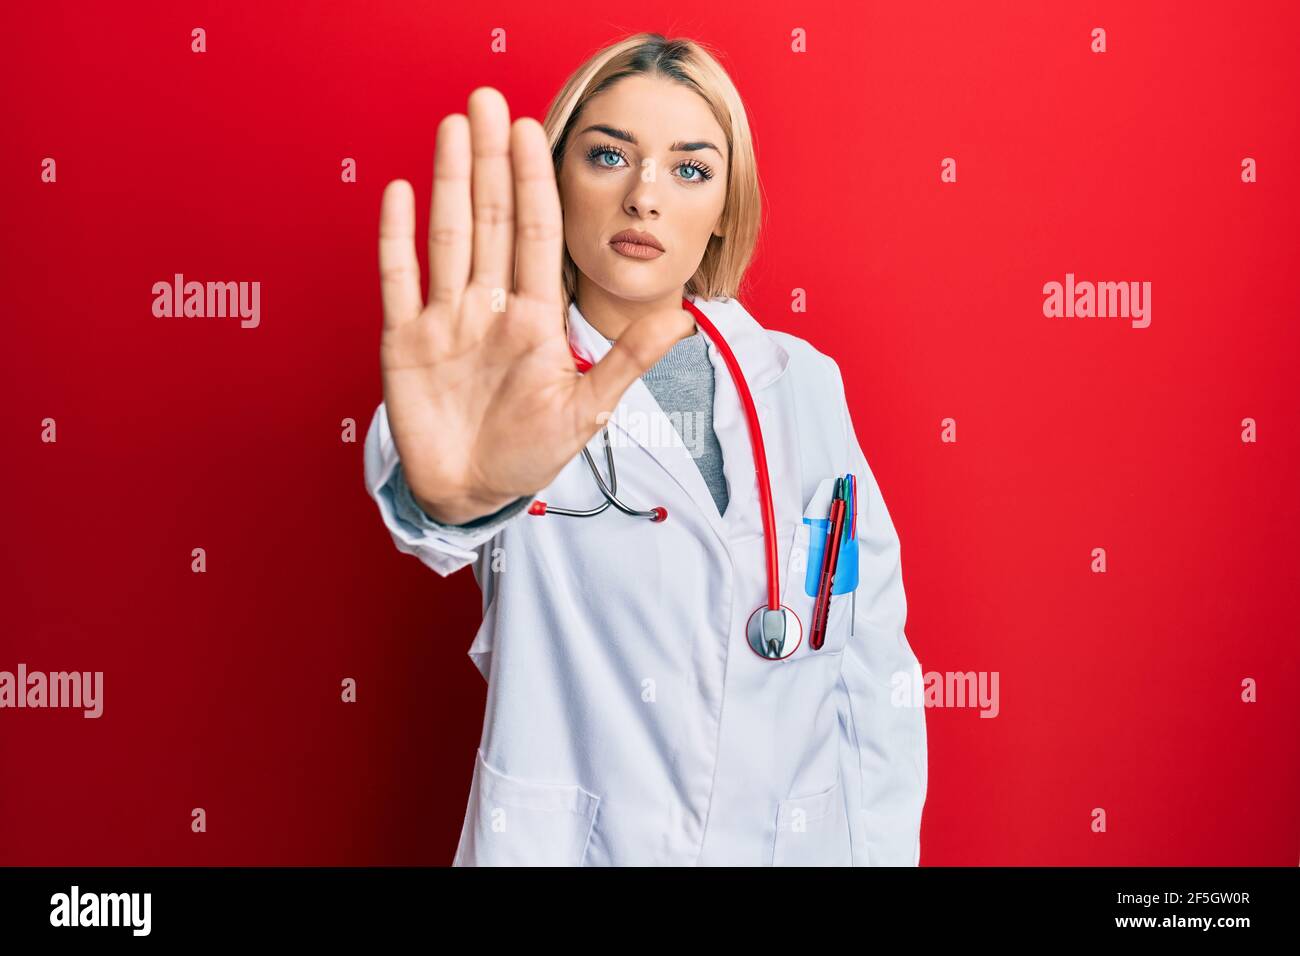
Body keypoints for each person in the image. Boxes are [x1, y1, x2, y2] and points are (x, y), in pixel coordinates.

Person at [363, 32, 927, 866]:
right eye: (607, 157)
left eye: (690, 168)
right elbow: (438, 506)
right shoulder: (502, 386)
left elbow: (874, 668)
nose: (645, 198)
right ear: (554, 181)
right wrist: (446, 501)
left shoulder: (803, 383)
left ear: (726, 210)